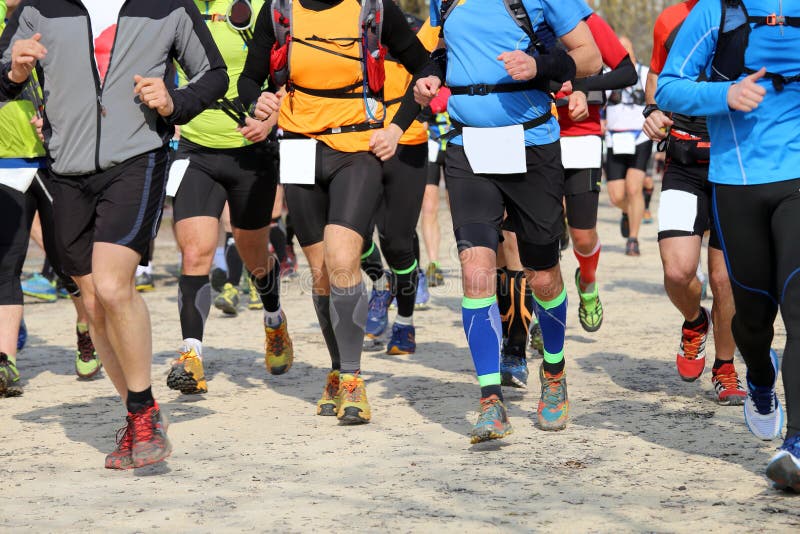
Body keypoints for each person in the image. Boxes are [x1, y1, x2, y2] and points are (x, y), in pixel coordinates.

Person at [1, 0, 227, 468]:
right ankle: (139, 412)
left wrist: (174, 102)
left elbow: (213, 73)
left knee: (111, 284)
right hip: (64, 170)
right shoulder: (39, 9)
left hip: (137, 159)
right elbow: (2, 76)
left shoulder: (167, 6)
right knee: (89, 300)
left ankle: (144, 414)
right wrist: (16, 73)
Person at [239, 0, 436, 425]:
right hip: (298, 147)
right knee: (322, 272)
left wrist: (397, 127)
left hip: (357, 148)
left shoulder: (373, 9)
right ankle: (336, 367)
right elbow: (248, 78)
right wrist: (258, 103)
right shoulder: (278, 11)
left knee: (344, 260)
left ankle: (352, 379)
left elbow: (426, 68)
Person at [416, 0, 600, 442]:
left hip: (532, 143)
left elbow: (590, 56)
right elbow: (441, 49)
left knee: (542, 277)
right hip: (467, 145)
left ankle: (553, 373)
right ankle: (490, 400)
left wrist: (538, 65)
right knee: (476, 269)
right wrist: (430, 76)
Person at [656, 0, 800, 490]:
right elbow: (668, 86)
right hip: (736, 180)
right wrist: (726, 94)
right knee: (752, 317)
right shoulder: (719, 11)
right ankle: (759, 375)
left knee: (799, 306)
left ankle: (796, 445)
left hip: (797, 176)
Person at [167, 0, 293, 396]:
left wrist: (269, 119)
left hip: (250, 150)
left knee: (254, 256)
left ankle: (274, 320)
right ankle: (191, 356)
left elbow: (290, 75)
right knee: (195, 253)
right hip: (196, 148)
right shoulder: (180, 8)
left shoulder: (265, 7)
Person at [643, 0, 744, 404]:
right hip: (684, 160)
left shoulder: (749, 13)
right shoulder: (670, 18)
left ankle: (725, 366)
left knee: (724, 280)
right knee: (678, 270)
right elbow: (655, 73)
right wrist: (651, 110)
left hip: (735, 161)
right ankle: (693, 321)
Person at [361, 16, 440, 356]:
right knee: (357, 232)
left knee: (396, 240)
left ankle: (405, 323)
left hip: (408, 144)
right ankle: (380, 283)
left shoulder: (417, 35)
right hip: (358, 143)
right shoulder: (350, 30)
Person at [555, 12, 638, 333]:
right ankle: (542, 311)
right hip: (533, 136)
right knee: (539, 236)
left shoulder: (585, 19)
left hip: (581, 137)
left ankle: (587, 283)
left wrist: (579, 87)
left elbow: (627, 72)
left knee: (582, 236)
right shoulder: (522, 17)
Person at [604, 36, 651, 257]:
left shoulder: (644, 73)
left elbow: (655, 100)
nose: (623, 51)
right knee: (616, 196)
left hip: (640, 138)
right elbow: (598, 104)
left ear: (632, 50)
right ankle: (629, 212)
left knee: (634, 188)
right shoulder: (606, 75)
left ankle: (633, 239)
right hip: (614, 139)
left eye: (627, 47)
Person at [420, 86, 452, 287]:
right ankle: (433, 263)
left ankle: (469, 256)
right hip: (430, 144)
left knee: (458, 208)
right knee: (429, 208)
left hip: (454, 145)